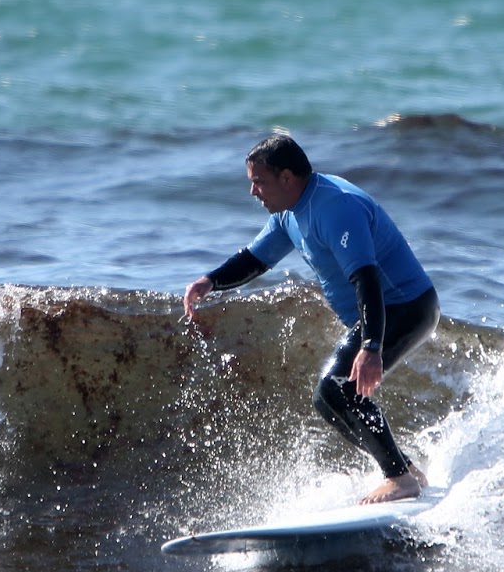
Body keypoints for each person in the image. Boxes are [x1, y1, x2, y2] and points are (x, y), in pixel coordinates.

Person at [184, 134, 440, 504]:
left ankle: (399, 477)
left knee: (338, 388)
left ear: (287, 178)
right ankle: (405, 471)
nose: (253, 192)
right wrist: (211, 281)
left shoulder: (335, 207)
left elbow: (365, 277)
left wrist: (371, 346)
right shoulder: (289, 211)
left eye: (259, 181)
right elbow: (256, 258)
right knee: (327, 398)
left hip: (404, 305)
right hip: (381, 311)